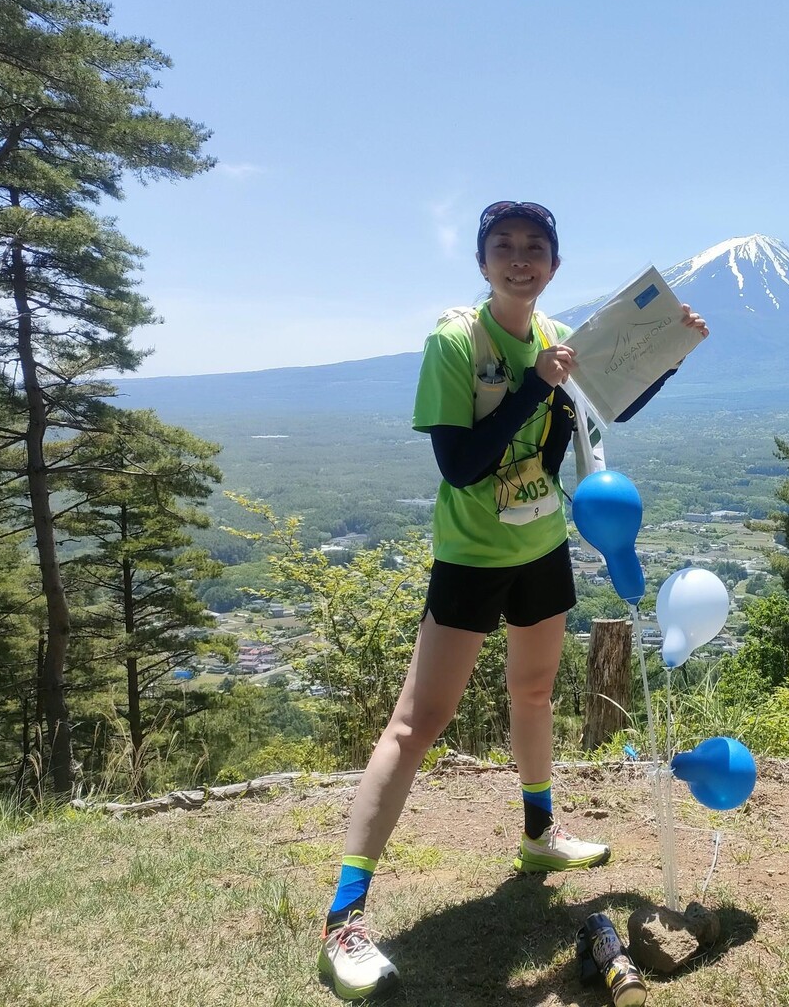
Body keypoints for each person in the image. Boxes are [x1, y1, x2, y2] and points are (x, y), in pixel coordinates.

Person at [317, 200, 708, 1000]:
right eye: (504, 247)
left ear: (554, 265)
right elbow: (460, 464)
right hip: (471, 554)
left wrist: (668, 356)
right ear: (483, 261)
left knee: (533, 692)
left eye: (535, 248)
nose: (520, 259)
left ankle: (539, 833)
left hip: (541, 547)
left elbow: (600, 405)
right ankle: (343, 921)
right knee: (416, 724)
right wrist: (534, 386)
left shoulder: (556, 334)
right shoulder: (456, 341)